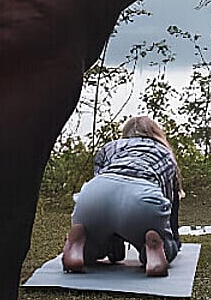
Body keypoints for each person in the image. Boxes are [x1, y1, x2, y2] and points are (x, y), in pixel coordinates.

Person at [61, 115, 182, 277]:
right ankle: (152, 252)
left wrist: (113, 240)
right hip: (142, 194)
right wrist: (173, 239)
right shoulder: (163, 152)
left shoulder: (110, 147)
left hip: (95, 192)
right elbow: (169, 202)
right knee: (168, 246)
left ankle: (79, 248)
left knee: (95, 247)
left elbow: (105, 185)